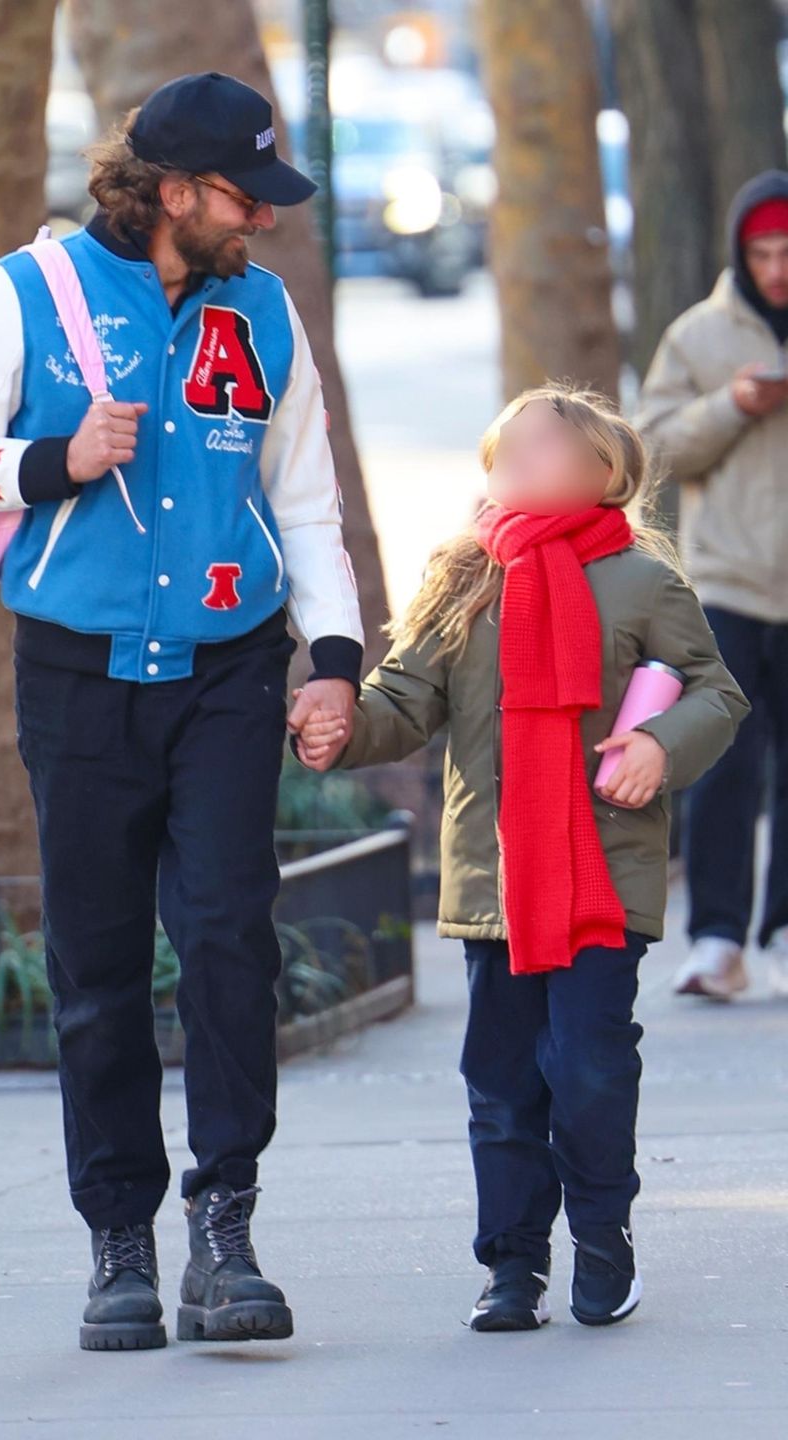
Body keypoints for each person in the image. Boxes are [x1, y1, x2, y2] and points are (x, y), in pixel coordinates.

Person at [0, 72, 364, 1351]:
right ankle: (118, 1244)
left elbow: (305, 499)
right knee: (96, 972)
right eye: (239, 196)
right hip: (78, 674)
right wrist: (53, 463)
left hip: (226, 672)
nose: (259, 221)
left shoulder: (264, 312)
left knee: (228, 942)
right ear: (165, 191)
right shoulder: (19, 295)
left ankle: (227, 1227)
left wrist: (330, 660)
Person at [295, 386, 747, 1331]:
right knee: (500, 1084)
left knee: (586, 1066)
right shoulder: (464, 578)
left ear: (603, 474)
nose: (515, 467)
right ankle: (511, 1265)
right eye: (506, 453)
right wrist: (344, 724)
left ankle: (602, 1235)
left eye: (542, 450)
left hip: (599, 877)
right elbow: (404, 698)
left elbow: (714, 693)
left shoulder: (641, 580)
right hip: (492, 881)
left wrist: (659, 745)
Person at [636, 170, 788, 1002]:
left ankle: (783, 931)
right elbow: (650, 446)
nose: (776, 269)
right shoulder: (698, 336)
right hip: (729, 581)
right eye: (762, 252)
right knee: (722, 763)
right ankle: (718, 939)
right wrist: (730, 406)